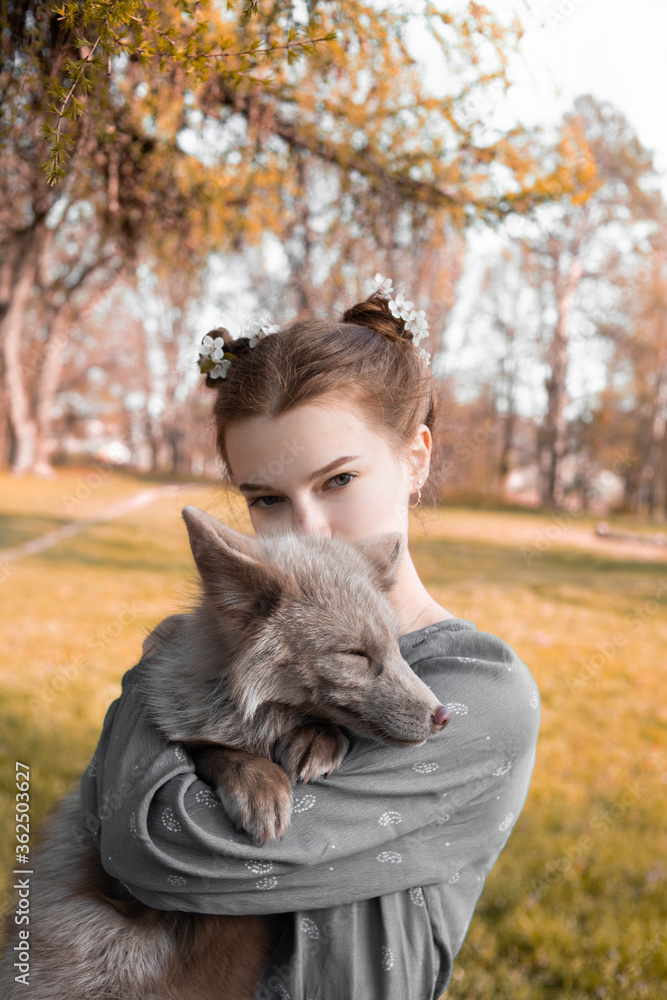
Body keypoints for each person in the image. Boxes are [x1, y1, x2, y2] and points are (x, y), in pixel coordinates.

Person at [80, 276, 541, 999]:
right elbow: (111, 826)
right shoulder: (241, 640)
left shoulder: (477, 692)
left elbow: (158, 846)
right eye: (266, 498)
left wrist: (175, 667)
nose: (305, 529)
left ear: (415, 458)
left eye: (337, 481)